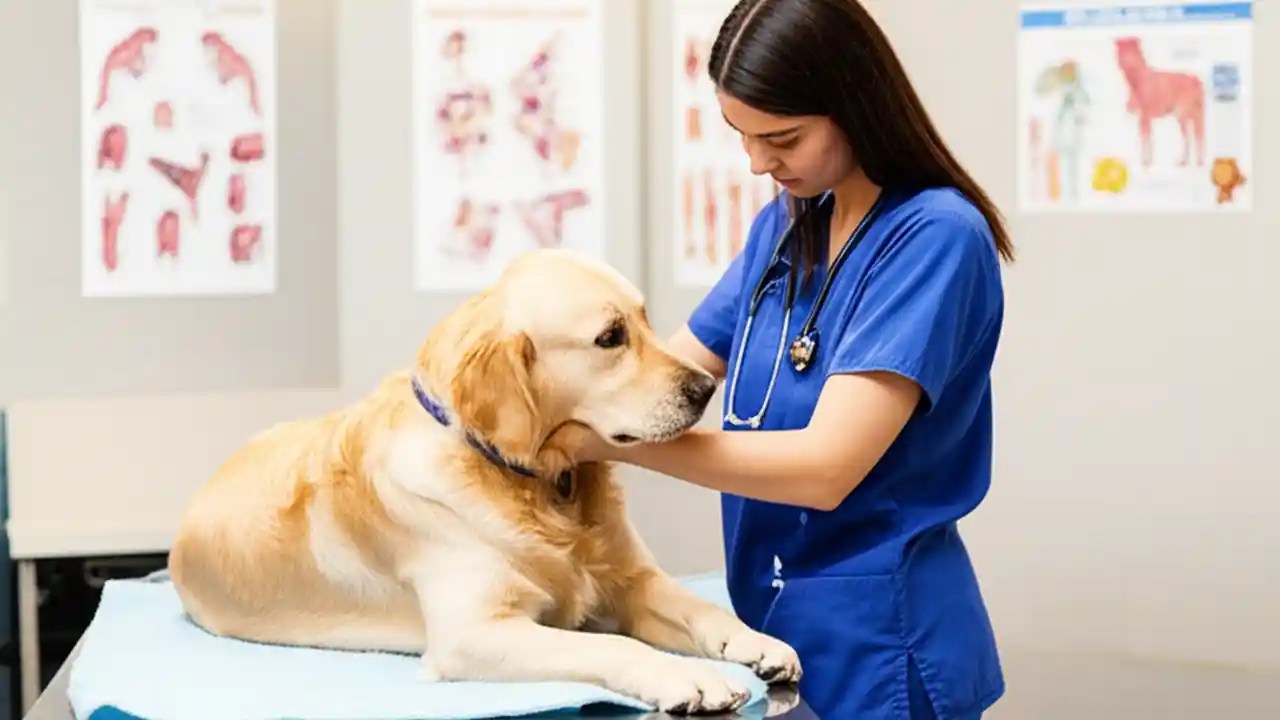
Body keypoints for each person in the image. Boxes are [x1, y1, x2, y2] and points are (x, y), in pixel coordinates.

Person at [575, 1, 1015, 718]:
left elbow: (824, 469)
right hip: (775, 631)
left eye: (782, 138)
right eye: (741, 137)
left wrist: (606, 444)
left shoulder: (935, 238)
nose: (757, 163)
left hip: (882, 645)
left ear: (853, 103)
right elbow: (667, 373)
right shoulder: (785, 230)